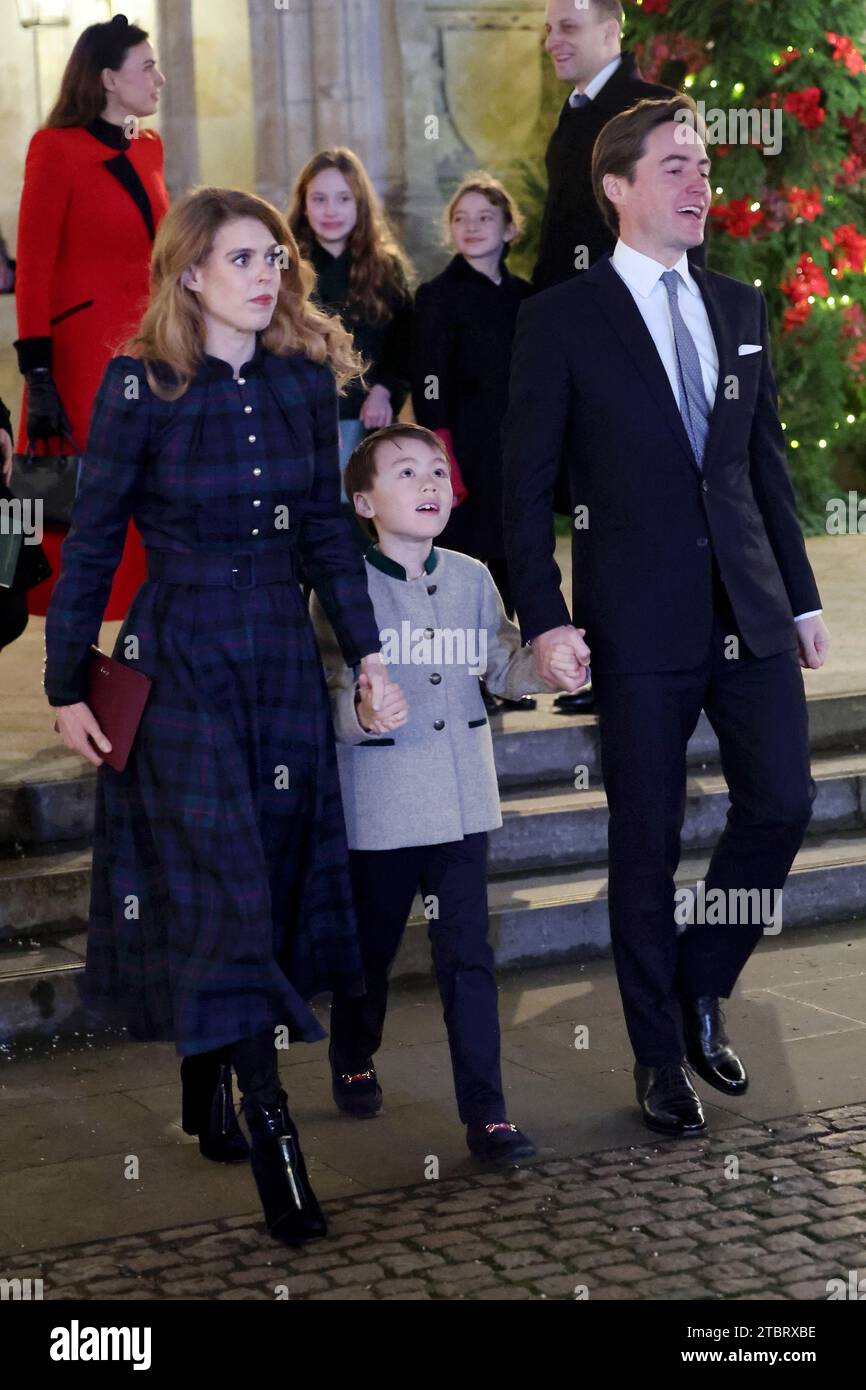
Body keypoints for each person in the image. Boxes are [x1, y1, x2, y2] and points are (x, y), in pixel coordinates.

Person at [44, 186, 405, 1245]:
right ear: (189, 272)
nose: (267, 274)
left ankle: (209, 1070)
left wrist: (371, 658)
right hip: (182, 660)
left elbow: (329, 545)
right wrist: (67, 682)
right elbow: (97, 539)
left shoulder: (301, 383)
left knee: (275, 876)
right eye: (243, 257)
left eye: (276, 257)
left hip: (280, 660)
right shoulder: (136, 386)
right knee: (228, 890)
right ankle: (274, 1128)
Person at [502, 96, 830, 1139]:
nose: (700, 183)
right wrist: (545, 619)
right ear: (615, 187)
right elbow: (522, 487)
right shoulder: (561, 315)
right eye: (677, 166)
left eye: (701, 165)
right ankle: (654, 1057)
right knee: (642, 841)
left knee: (779, 802)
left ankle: (699, 980)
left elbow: (758, 465)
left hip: (750, 608)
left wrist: (803, 594)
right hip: (632, 621)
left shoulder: (736, 304)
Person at [311, 422, 580, 1164]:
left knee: (468, 955)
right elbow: (333, 696)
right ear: (363, 501)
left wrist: (547, 669)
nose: (430, 484)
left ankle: (488, 1115)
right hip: (384, 801)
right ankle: (353, 1051)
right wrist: (364, 714)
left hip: (463, 800)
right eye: (406, 473)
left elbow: (500, 667)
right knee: (370, 953)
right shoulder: (342, 588)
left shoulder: (469, 578)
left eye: (437, 470)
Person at [534, 0, 704, 713]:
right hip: (575, 336)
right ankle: (601, 658)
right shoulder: (574, 113)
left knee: (643, 501)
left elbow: (684, 221)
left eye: (567, 26)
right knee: (591, 504)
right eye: (547, 29)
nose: (552, 40)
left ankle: (672, 652)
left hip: (632, 338)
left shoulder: (652, 109)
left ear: (613, 31)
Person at [14, 13, 168, 620]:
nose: (159, 78)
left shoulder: (151, 147)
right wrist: (38, 374)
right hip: (78, 362)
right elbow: (33, 266)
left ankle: (135, 637)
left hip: (151, 351)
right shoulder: (54, 149)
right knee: (62, 495)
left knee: (143, 498)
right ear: (108, 78)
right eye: (147, 67)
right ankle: (31, 609)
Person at [412, 172, 535, 713]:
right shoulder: (437, 296)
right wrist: (443, 461)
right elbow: (428, 383)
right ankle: (475, 679)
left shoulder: (527, 298)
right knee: (470, 567)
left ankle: (514, 674)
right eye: (461, 219)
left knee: (517, 562)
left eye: (485, 217)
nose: (472, 227)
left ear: (510, 228)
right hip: (464, 453)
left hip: (518, 449)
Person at [288, 148, 414, 527]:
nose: (331, 210)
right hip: (303, 420)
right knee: (310, 524)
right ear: (304, 205)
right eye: (319, 199)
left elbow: (405, 343)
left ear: (360, 204)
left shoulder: (385, 267)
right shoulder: (286, 267)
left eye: (344, 199)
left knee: (360, 523)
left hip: (364, 419)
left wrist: (385, 389)